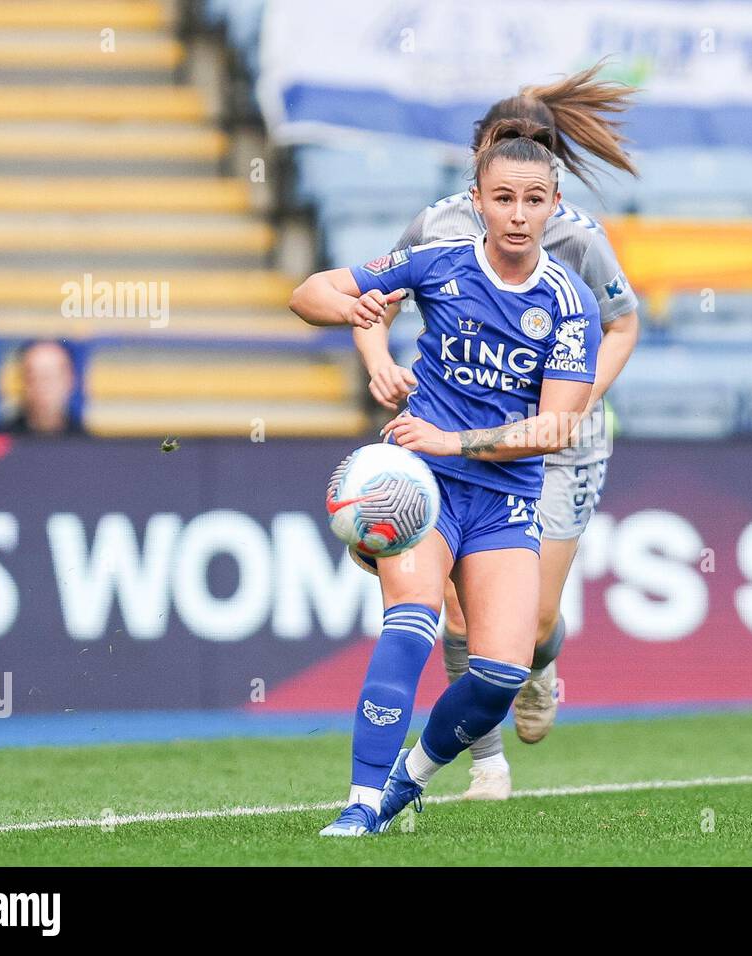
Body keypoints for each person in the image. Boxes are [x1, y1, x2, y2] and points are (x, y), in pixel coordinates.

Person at [291, 63, 641, 800]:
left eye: (534, 172)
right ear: (479, 165)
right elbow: (371, 301)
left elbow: (623, 322)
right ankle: (485, 762)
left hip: (556, 441)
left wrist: (573, 399)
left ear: (552, 177)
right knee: (453, 609)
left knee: (532, 617)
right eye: (501, 166)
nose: (518, 205)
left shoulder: (577, 239)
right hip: (453, 442)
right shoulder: (438, 228)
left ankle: (539, 666)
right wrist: (377, 360)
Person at [7, 340, 82, 436]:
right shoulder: (1, 443)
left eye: (50, 377)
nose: (42, 386)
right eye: (33, 377)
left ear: (70, 380)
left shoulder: (89, 445)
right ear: (21, 381)